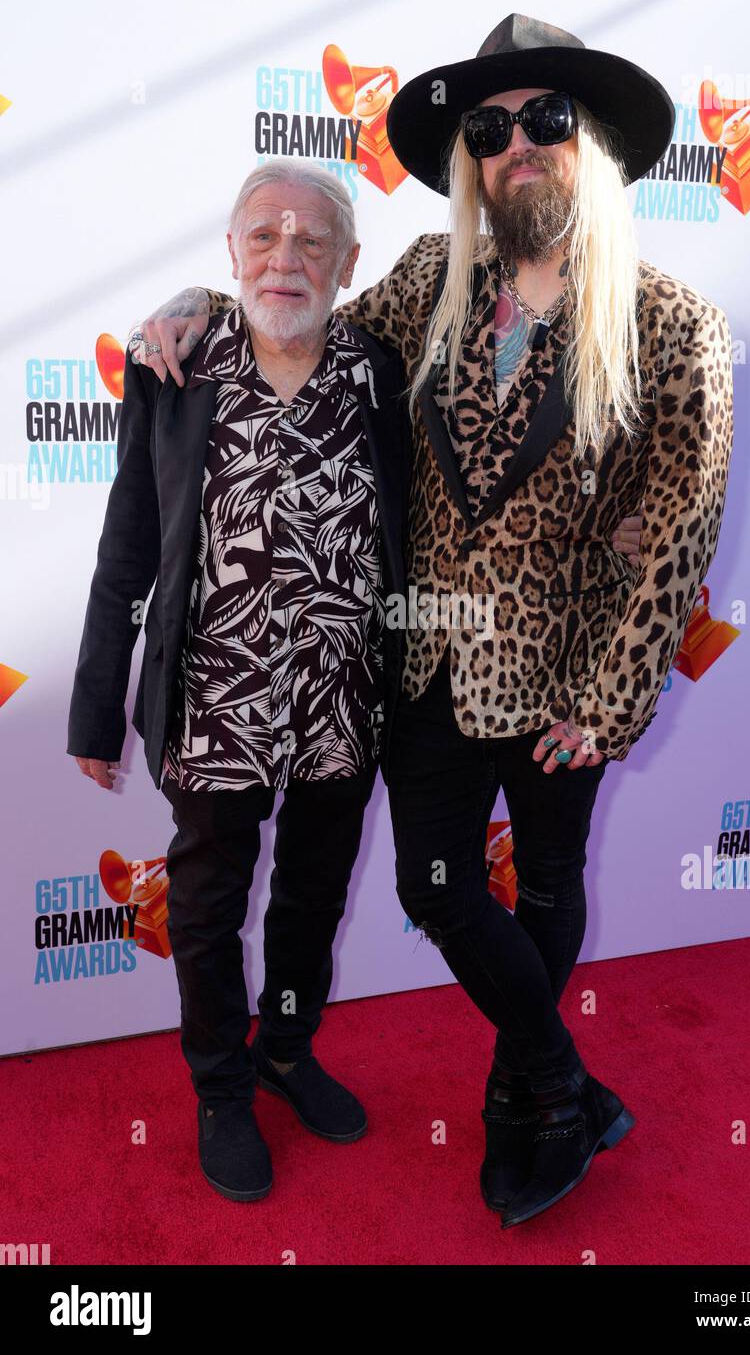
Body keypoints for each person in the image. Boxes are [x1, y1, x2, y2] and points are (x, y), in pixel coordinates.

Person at [129, 14, 734, 1228]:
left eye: (543, 120)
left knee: (550, 880)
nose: (516, 142)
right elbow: (302, 320)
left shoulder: (675, 324)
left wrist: (611, 701)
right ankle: (563, 1074)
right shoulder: (429, 284)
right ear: (469, 155)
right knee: (439, 880)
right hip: (427, 657)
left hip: (567, 675)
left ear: (589, 143)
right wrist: (203, 296)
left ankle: (526, 1106)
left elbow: (675, 535)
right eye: (490, 126)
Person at [67, 159, 412, 1203]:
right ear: (230, 253)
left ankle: (287, 1049)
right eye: (263, 235)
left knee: (310, 898)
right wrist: (95, 706)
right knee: (210, 907)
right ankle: (221, 1087)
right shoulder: (177, 365)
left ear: (349, 263)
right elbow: (128, 545)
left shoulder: (383, 373)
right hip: (213, 707)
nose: (286, 255)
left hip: (343, 708)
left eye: (313, 240)